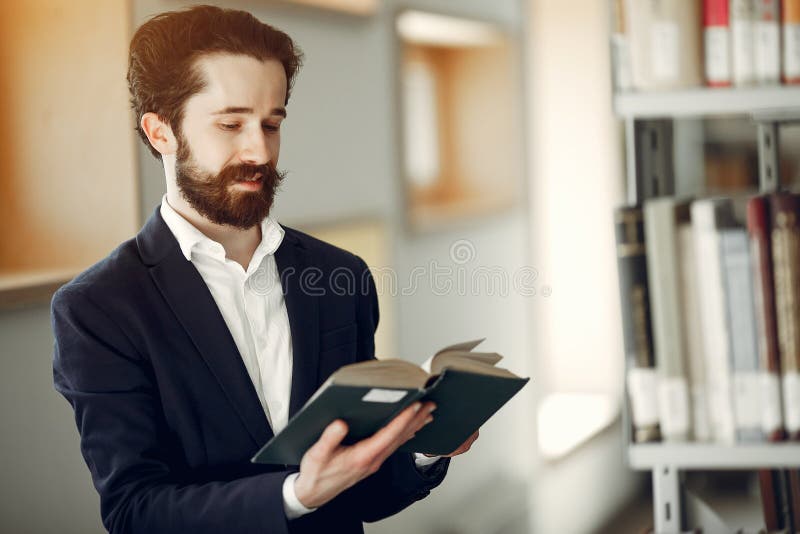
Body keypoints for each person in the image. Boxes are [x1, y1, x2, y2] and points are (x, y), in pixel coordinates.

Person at [51, 5, 478, 534]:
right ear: (161, 132)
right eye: (230, 124)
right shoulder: (97, 308)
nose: (260, 149)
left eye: (271, 123)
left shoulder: (340, 275)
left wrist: (421, 452)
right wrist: (295, 496)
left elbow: (359, 494)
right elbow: (135, 512)